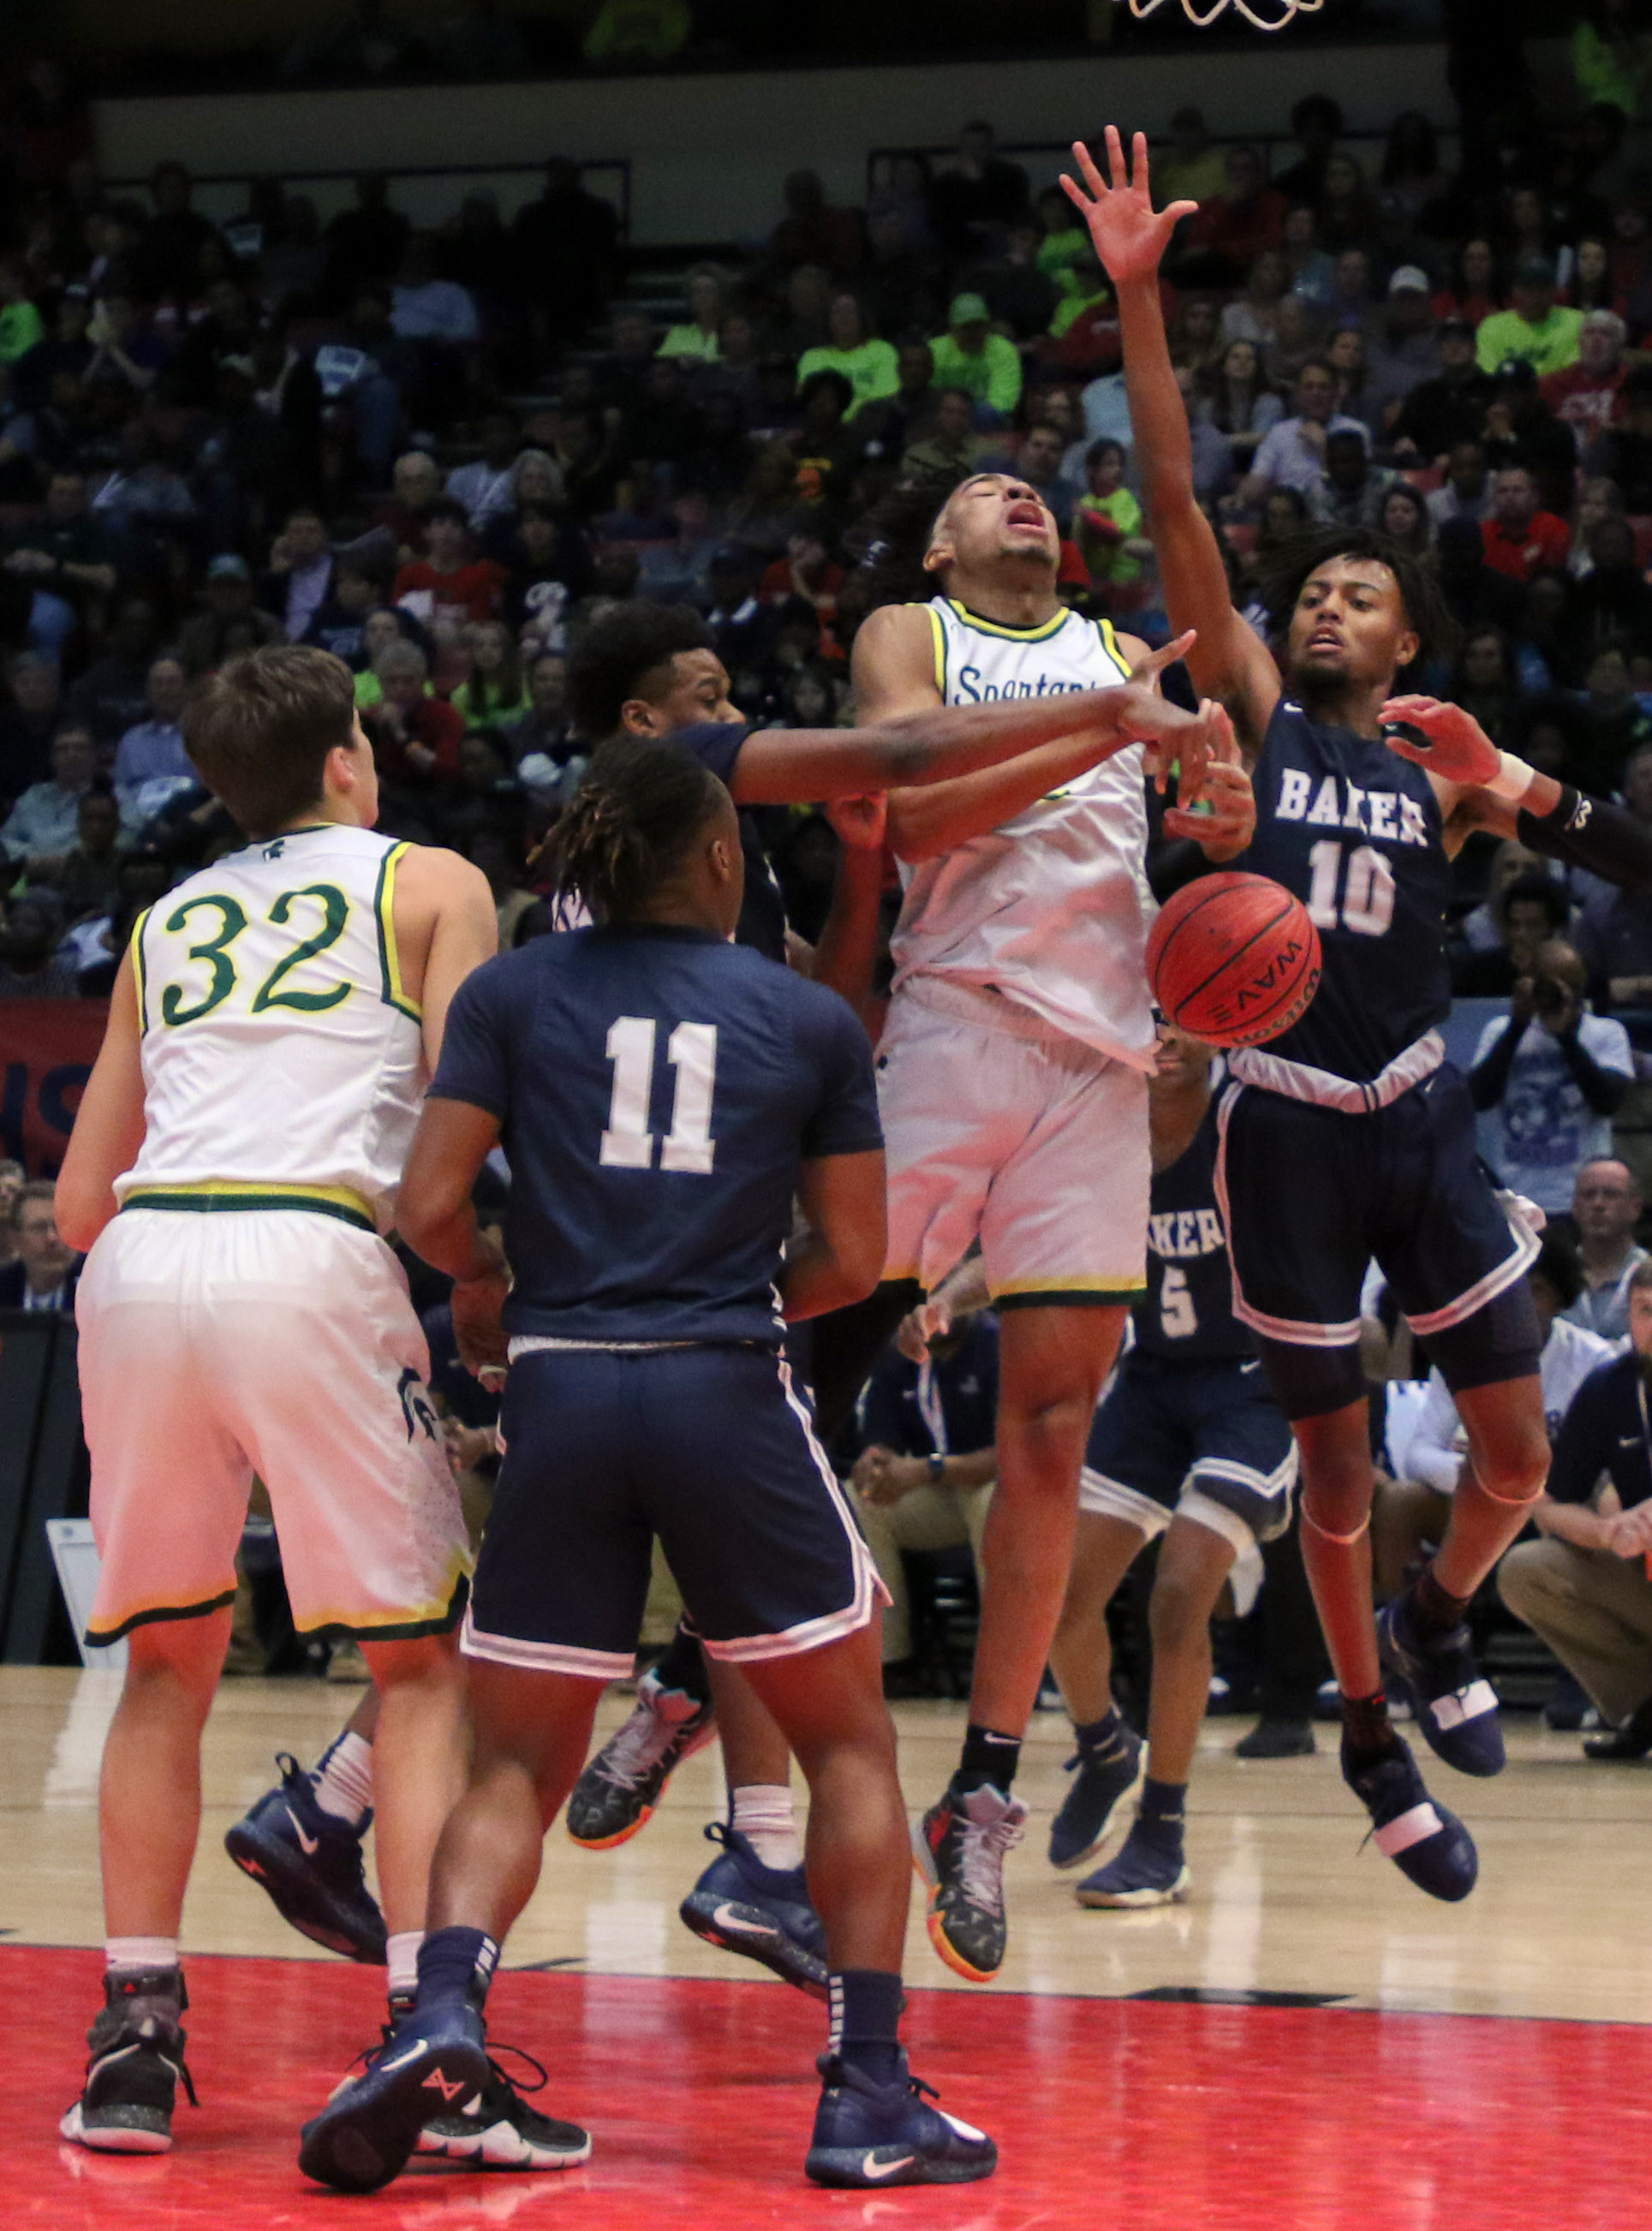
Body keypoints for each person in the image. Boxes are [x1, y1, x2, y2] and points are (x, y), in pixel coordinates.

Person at [1065, 125, 1651, 1903]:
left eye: (1358, 595)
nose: (1324, 603)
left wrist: (1524, 785)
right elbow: (1175, 503)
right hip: (1278, 1128)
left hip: (1414, 1109)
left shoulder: (1435, 767)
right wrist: (1140, 299)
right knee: (1326, 1466)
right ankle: (1367, 1726)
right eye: (1311, 590)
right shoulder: (1250, 713)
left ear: (1404, 643)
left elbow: (1625, 857)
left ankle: (1432, 1618)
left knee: (1510, 1453)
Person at [296, 737, 998, 2196]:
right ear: (725, 858)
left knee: (511, 1762)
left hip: (559, 1391)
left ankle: (439, 2018)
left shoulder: (510, 994)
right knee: (847, 1745)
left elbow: (430, 1205)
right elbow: (852, 1257)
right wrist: (738, 1296)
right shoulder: (803, 1019)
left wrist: (499, 1284)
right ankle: (868, 2093)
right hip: (722, 1388)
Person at [54, 644, 500, 2160]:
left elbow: (74, 1205)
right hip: (307, 1252)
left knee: (163, 1665)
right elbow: (460, 1133)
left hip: (140, 1266)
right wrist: (487, 1273)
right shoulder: (431, 883)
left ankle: (132, 2042)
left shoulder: (163, 918)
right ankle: (426, 2041)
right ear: (350, 763)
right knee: (419, 1668)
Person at [848, 471, 1246, 1982]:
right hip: (953, 1021)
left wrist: (1214, 815)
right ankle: (697, 1686)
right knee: (800, 1357)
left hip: (1101, 1062)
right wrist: (1104, 727)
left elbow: (1199, 825)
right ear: (941, 546)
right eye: (982, 491)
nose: (1018, 494)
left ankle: (982, 1788)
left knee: (1052, 1435)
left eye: (1029, 488)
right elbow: (908, 812)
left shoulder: (1128, 653)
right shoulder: (912, 632)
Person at [1044, 1024, 1299, 1899]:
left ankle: (1161, 1832)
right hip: (1153, 1382)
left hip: (1252, 1385)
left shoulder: (1249, 1126)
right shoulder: (1103, 1136)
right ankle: (1104, 1750)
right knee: (1054, 1594)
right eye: (1148, 1014)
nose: (1164, 1033)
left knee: (1181, 1591)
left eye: (1183, 1013)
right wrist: (950, 1296)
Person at [1377, 1237, 1616, 1602]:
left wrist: (1518, 1478)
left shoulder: (1594, 1361)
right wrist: (1487, 1477)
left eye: (1535, 1290)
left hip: (1559, 1507)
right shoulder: (1461, 1357)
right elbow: (1419, 1454)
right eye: (1507, 1291)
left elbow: (1600, 1469)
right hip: (1480, 1500)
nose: (1519, 1304)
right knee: (1399, 1501)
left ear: (1560, 1297)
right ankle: (1411, 1625)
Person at [1499, 1262, 1652, 1759]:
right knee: (1529, 1570)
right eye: (1645, 1311)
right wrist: (1608, 1531)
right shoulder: (1609, 1387)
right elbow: (1549, 1505)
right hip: (1644, 1571)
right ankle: (1642, 1709)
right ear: (1629, 1317)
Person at [850, 1302, 999, 1680]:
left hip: (997, 1487)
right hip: (939, 1495)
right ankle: (889, 1662)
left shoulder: (998, 1343)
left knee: (992, 1501)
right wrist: (873, 1461)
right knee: (858, 1499)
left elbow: (1017, 1456)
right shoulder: (899, 1353)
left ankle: (1006, 1665)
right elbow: (881, 1439)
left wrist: (928, 1469)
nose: (925, 1315)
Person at [1468, 939, 1634, 1217]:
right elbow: (1479, 1098)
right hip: (1515, 1198)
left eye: (1572, 985)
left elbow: (1608, 1102)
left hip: (1580, 1199)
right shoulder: (1499, 1031)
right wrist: (1517, 1027)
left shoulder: (1607, 1033)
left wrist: (1567, 1038)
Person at [1566, 1157, 1648, 1339]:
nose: (1598, 1204)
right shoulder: (1555, 1277)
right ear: (1575, 1207)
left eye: (1611, 1195)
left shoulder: (1649, 1275)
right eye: (1588, 1195)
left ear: (1635, 1207)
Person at [0, 1178, 81, 1311]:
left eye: (60, 1227)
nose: (52, 1238)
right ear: (16, 1239)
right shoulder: (4, 1287)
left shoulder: (96, 1285)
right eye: (39, 1228)